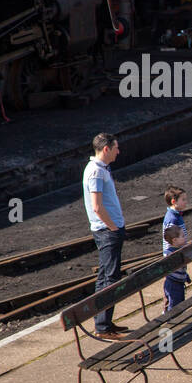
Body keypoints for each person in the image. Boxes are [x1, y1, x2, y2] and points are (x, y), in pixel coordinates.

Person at [83, 133, 129, 337]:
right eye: (116, 147)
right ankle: (102, 326)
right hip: (107, 231)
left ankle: (105, 322)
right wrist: (113, 228)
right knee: (110, 278)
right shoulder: (95, 172)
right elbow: (97, 206)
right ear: (106, 149)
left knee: (105, 277)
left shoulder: (101, 169)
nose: (119, 151)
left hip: (108, 230)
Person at [162, 186, 192, 313]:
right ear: (174, 201)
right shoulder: (172, 219)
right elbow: (170, 240)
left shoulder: (176, 216)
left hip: (178, 259)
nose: (186, 202)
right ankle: (170, 316)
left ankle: (169, 312)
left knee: (174, 294)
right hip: (173, 260)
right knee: (174, 296)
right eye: (183, 199)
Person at [162, 225, 188, 313]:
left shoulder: (180, 249)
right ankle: (171, 320)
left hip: (179, 281)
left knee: (180, 302)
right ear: (174, 240)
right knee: (174, 305)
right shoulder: (169, 253)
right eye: (183, 236)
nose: (185, 238)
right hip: (172, 283)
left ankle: (178, 318)